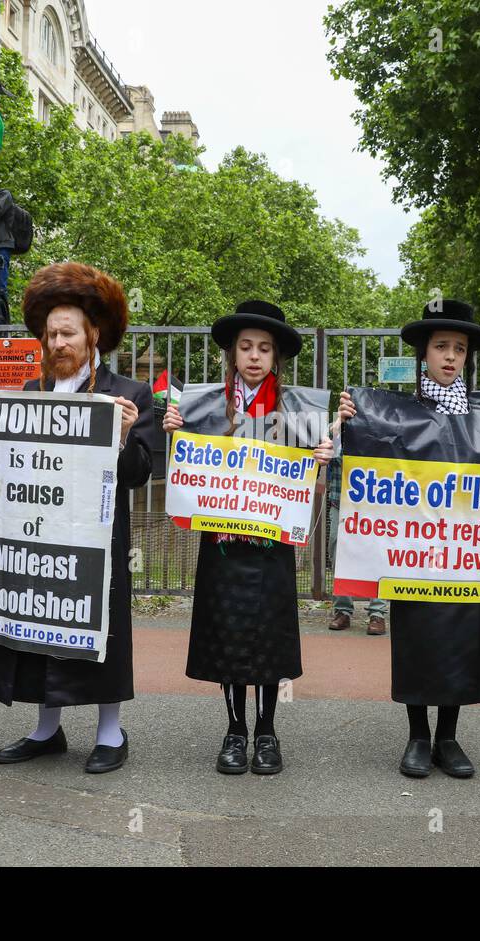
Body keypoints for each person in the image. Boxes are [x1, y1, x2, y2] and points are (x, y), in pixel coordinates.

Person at [338, 300, 480, 779]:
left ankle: (448, 736)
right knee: (417, 639)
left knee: (463, 641)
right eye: (441, 347)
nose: (450, 357)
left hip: (469, 556)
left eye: (459, 349)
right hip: (416, 554)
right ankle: (417, 735)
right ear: (424, 355)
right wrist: (350, 416)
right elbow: (362, 458)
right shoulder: (395, 412)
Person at [0, 261, 154, 774]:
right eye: (50, 333)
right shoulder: (28, 396)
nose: (58, 343)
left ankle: (109, 732)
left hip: (98, 540)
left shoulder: (128, 395)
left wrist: (123, 435)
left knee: (101, 631)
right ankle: (46, 729)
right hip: (37, 537)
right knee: (39, 623)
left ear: (93, 335)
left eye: (68, 333)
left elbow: (140, 474)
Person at [162, 300, 333, 775]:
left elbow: (312, 477)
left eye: (264, 348)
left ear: (275, 357)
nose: (254, 356)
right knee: (230, 637)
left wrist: (321, 454)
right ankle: (235, 730)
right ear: (233, 355)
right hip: (222, 545)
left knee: (269, 640)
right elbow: (182, 469)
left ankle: (267, 731)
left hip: (273, 547)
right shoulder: (203, 406)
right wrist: (174, 433)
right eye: (246, 347)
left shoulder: (298, 410)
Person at [327, 455, 387, 634]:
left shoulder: (381, 426)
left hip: (376, 501)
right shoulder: (334, 427)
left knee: (377, 554)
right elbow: (324, 446)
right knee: (337, 551)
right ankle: (342, 610)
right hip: (341, 500)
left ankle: (378, 613)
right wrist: (338, 429)